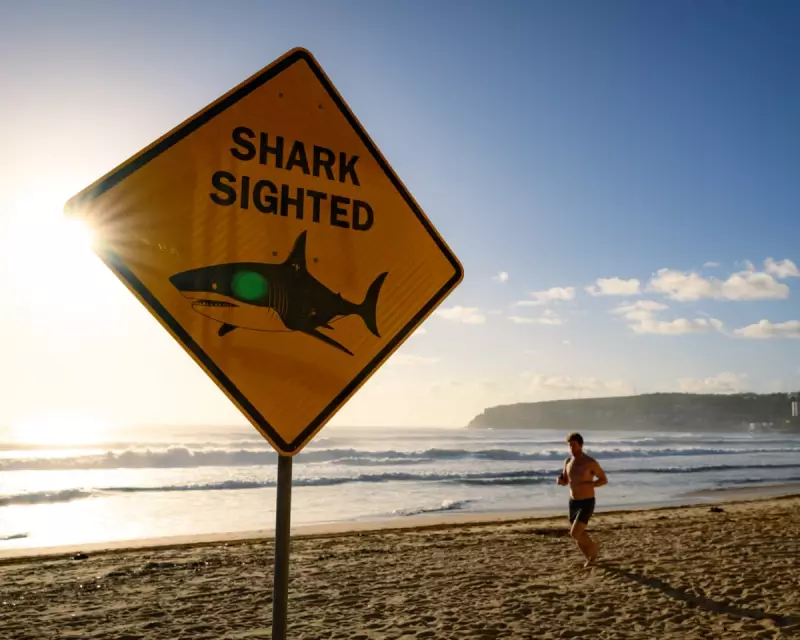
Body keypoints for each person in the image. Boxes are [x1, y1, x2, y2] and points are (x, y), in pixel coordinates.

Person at [556, 432, 608, 567]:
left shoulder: (590, 462)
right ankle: (589, 558)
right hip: (573, 502)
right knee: (577, 535)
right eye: (569, 445)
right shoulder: (567, 462)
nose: (571, 448)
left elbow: (603, 480)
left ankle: (594, 551)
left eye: (574, 445)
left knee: (575, 533)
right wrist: (560, 481)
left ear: (581, 445)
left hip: (587, 501)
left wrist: (591, 484)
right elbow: (566, 481)